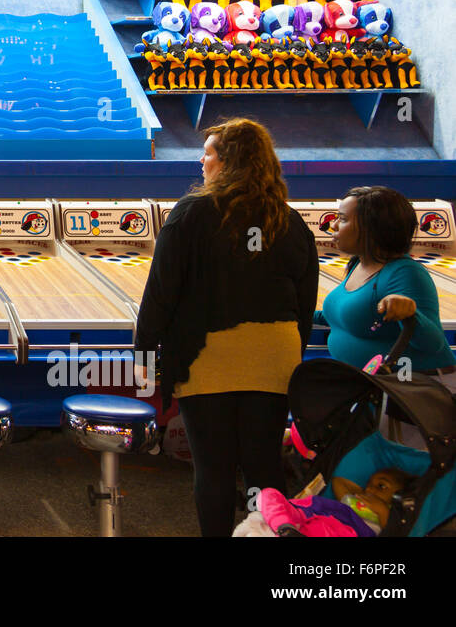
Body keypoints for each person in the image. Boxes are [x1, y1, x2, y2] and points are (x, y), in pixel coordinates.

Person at [134, 119, 319, 537]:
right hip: (276, 354)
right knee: (264, 464)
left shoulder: (192, 212)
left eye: (210, 153)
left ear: (229, 161)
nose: (202, 160)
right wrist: (293, 356)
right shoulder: (288, 221)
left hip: (209, 353)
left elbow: (162, 291)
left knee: (213, 466)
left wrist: (144, 354)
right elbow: (304, 303)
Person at [322, 186, 456, 439]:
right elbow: (343, 318)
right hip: (376, 393)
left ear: (372, 228)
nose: (333, 228)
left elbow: (434, 344)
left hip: (410, 399)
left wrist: (410, 313)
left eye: (342, 219)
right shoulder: (360, 265)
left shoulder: (405, 273)